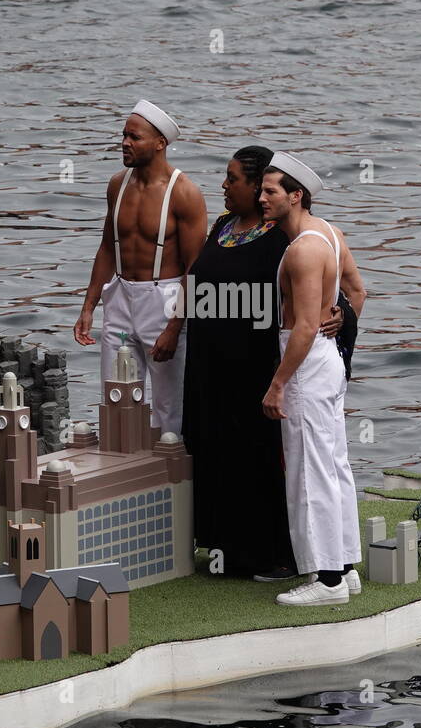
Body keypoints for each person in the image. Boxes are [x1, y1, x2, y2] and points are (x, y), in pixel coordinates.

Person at [183, 146, 341, 581]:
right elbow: (193, 283)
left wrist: (339, 311)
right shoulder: (221, 227)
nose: (224, 186)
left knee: (261, 456)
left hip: (258, 367)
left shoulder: (285, 237)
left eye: (233, 179)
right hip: (210, 366)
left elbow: (325, 290)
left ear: (259, 188)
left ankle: (277, 554)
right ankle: (223, 549)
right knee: (214, 450)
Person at [259, 151, 362, 605]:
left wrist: (278, 383)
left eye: (270, 192)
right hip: (327, 360)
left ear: (295, 196)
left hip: (306, 364)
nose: (261, 199)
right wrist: (342, 315)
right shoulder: (332, 236)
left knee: (308, 472)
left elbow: (302, 326)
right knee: (334, 464)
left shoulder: (303, 250)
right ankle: (347, 568)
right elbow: (357, 291)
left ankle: (328, 582)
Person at [74, 101, 207, 435]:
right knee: (116, 394)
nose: (124, 143)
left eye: (134, 137)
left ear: (159, 143)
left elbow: (196, 267)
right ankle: (119, 467)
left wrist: (175, 327)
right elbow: (107, 247)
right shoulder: (117, 184)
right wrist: (89, 307)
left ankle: (171, 475)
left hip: (164, 298)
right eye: (123, 135)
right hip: (119, 296)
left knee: (167, 404)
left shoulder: (185, 193)